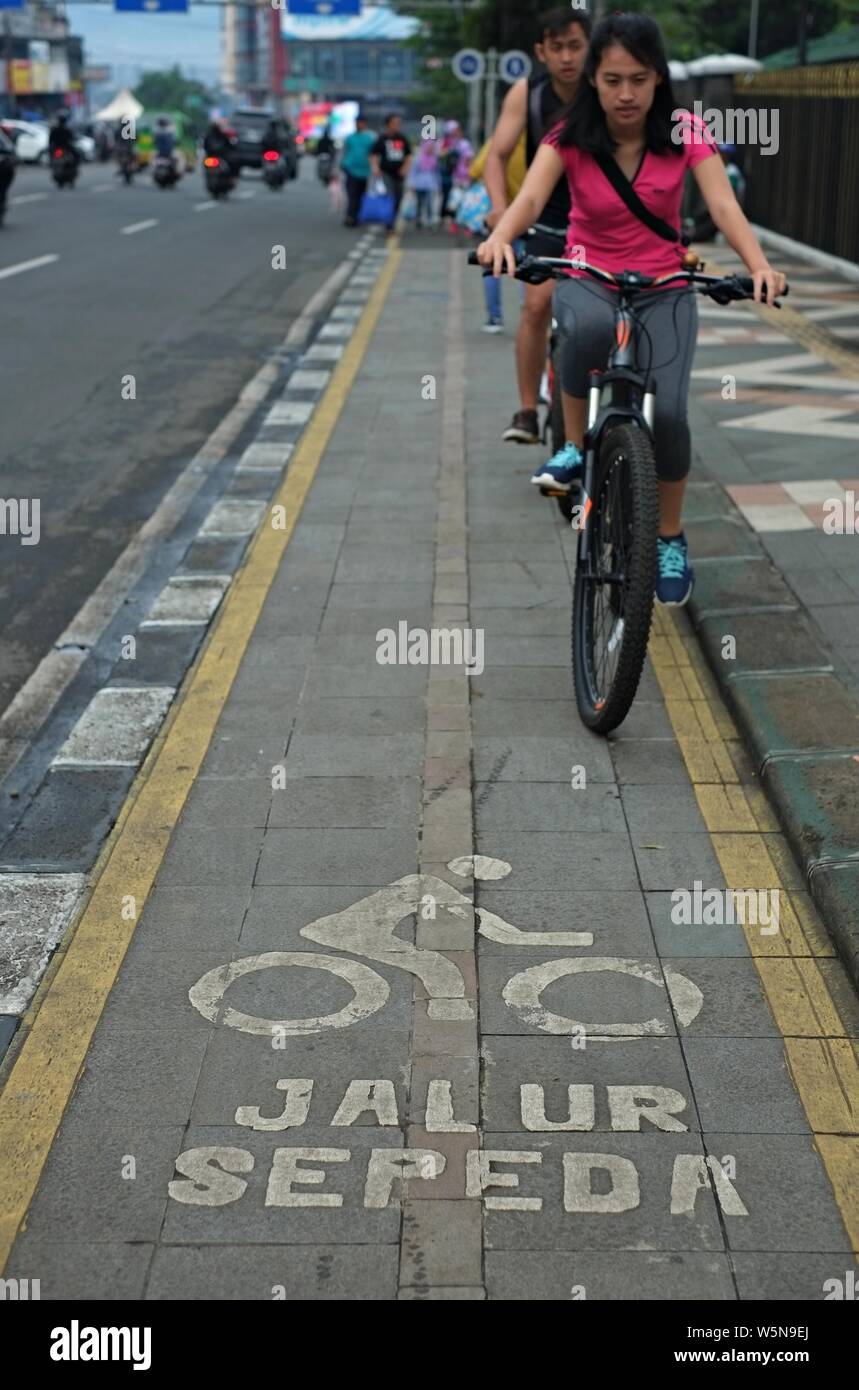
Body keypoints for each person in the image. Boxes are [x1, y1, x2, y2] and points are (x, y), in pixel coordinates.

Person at [478, 11, 786, 607]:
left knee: (668, 414)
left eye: (639, 80)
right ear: (594, 77)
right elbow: (534, 195)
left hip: (665, 282)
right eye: (613, 78)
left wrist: (759, 266)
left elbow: (724, 207)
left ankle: (669, 538)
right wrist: (501, 238)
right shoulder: (568, 134)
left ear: (658, 80)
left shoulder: (685, 131)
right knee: (587, 329)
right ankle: (571, 446)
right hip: (587, 272)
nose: (626, 94)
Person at [484, 6, 591, 445]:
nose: (567, 57)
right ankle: (528, 409)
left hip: (599, 219)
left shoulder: (606, 89)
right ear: (541, 51)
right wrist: (497, 209)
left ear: (590, 49)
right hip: (544, 216)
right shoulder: (526, 93)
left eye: (576, 47)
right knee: (535, 305)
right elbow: (496, 155)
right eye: (557, 48)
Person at [370, 113, 412, 231]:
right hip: (386, 173)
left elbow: (408, 156)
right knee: (389, 196)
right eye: (394, 123)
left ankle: (392, 218)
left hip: (399, 174)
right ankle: (389, 222)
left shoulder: (402, 138)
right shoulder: (382, 139)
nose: (397, 125)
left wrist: (405, 168)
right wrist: (376, 168)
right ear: (388, 124)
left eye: (398, 123)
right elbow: (373, 154)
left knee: (398, 198)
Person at [341, 114, 376, 227]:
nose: (359, 124)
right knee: (352, 195)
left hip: (365, 171)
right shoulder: (349, 137)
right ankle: (350, 216)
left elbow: (374, 154)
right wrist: (343, 165)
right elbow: (344, 153)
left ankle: (357, 215)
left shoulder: (370, 138)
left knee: (361, 195)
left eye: (361, 122)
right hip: (351, 169)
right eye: (357, 122)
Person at [438, 120, 473, 229]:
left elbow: (469, 159)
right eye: (452, 130)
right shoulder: (447, 143)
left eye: (456, 130)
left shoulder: (464, 143)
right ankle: (453, 221)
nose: (455, 132)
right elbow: (439, 155)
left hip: (465, 176)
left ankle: (462, 221)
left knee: (463, 199)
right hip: (453, 176)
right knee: (453, 199)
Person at [407, 134, 440, 229]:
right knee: (419, 204)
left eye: (432, 147)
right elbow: (413, 172)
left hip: (430, 184)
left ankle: (430, 222)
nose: (431, 149)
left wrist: (438, 184)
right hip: (419, 184)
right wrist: (411, 183)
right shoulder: (419, 158)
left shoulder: (434, 159)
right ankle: (418, 220)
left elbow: (436, 172)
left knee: (430, 204)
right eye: (429, 147)